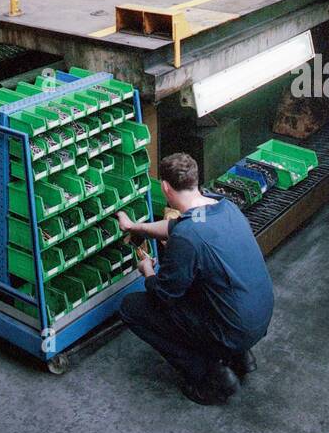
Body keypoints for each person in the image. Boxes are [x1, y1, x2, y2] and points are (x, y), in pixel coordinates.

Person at [117, 151, 274, 405]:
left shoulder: (188, 238)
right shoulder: (224, 208)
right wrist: (136, 227)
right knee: (212, 282)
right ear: (195, 181)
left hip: (233, 329)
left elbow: (163, 295)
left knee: (132, 308)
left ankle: (210, 375)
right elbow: (175, 226)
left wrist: (147, 271)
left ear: (165, 187)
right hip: (259, 317)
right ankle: (241, 357)